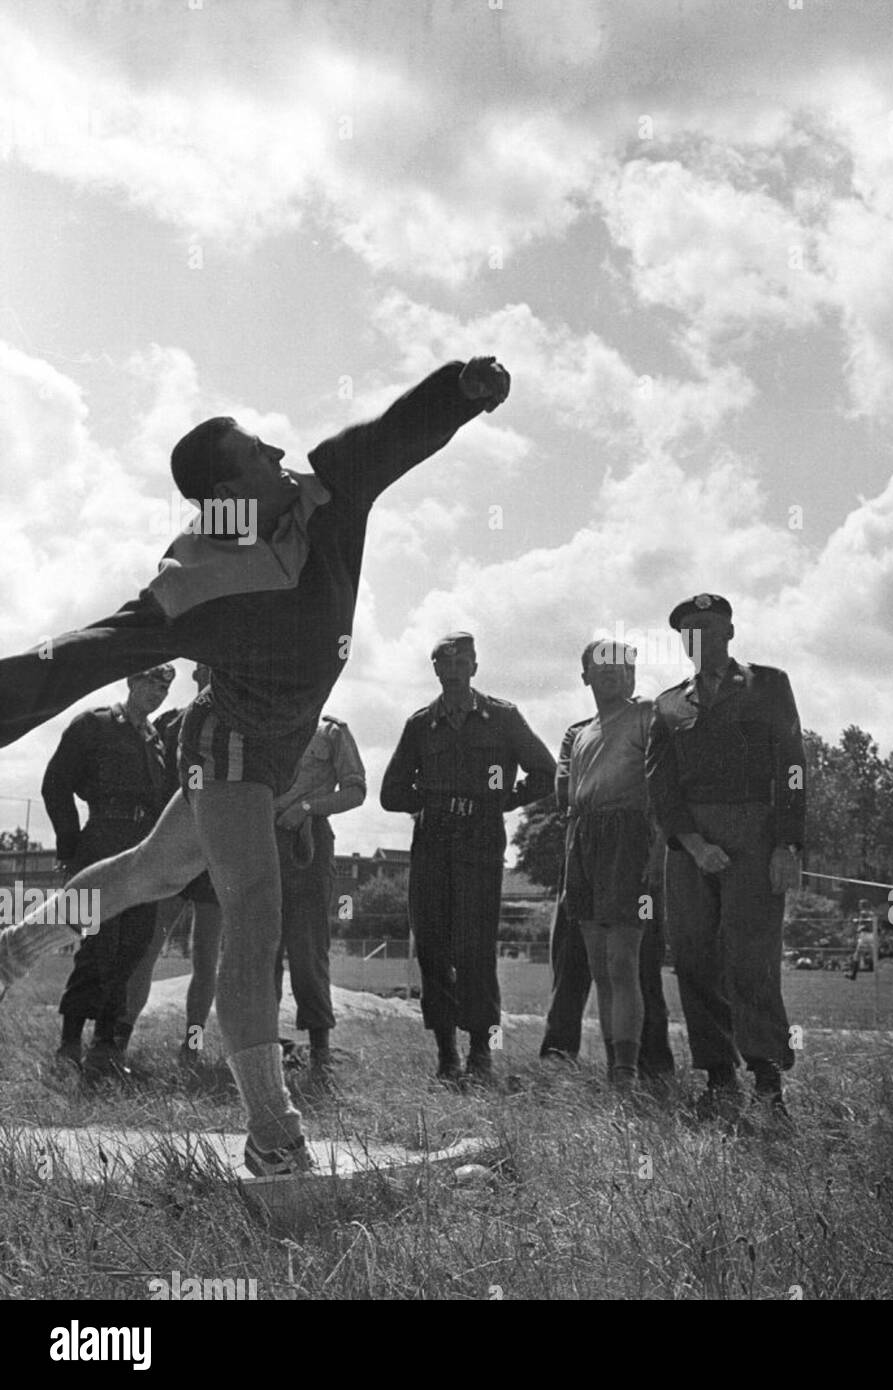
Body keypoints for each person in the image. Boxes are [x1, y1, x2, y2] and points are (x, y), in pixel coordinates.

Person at [0, 354, 511, 1176]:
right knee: (254, 907)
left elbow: (393, 435)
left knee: (149, 872)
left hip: (274, 749)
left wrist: (460, 390)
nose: (278, 452)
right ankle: (273, 1135)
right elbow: (71, 660)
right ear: (225, 496)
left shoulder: (329, 490)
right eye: (255, 453)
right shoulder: (195, 582)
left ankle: (13, 947)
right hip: (228, 746)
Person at [645, 593, 804, 1121]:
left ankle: (768, 1082)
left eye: (711, 628)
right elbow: (660, 788)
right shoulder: (667, 705)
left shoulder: (768, 685)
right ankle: (717, 1078)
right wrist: (693, 845)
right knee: (693, 959)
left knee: (749, 958)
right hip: (691, 844)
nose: (702, 638)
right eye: (690, 630)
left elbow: (792, 767)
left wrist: (787, 844)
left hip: (756, 832)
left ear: (730, 633)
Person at [380, 632, 555, 1085]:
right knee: (434, 948)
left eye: (462, 663)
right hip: (433, 841)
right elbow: (390, 792)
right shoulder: (420, 725)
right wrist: (430, 801)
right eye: (444, 663)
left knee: (475, 950)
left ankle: (481, 1054)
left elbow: (545, 772)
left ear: (475, 667)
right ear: (435, 669)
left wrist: (506, 801)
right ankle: (445, 1055)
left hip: (480, 839)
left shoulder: (502, 717)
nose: (453, 670)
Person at [42, 664, 175, 1083]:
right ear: (132, 682)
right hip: (100, 842)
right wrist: (69, 846)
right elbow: (56, 784)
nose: (158, 692)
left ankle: (105, 1049)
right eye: (152, 682)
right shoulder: (93, 725)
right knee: (97, 946)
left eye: (165, 687)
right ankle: (68, 1045)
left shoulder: (156, 742)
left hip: (143, 852)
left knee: (132, 948)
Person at [552, 640, 663, 1086]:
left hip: (628, 835)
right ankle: (614, 1064)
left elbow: (662, 783)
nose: (613, 672)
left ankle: (628, 1069)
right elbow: (568, 797)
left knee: (623, 962)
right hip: (584, 840)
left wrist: (657, 849)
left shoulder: (646, 715)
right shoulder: (580, 732)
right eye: (602, 667)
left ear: (633, 674)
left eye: (622, 666)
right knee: (598, 967)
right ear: (586, 677)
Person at [121, 662, 224, 1068]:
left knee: (205, 961)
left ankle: (193, 1046)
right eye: (207, 670)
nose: (213, 676)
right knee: (147, 950)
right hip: (173, 850)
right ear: (197, 675)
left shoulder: (240, 728)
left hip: (214, 857)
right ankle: (120, 1039)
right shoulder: (170, 723)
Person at [272, 712, 366, 1084]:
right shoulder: (265, 723)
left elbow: (356, 791)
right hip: (262, 840)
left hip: (308, 843)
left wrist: (307, 809)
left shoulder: (332, 732)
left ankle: (320, 1056)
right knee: (261, 951)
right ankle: (261, 1054)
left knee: (307, 951)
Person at [539, 834, 675, 1078]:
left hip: (636, 851)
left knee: (641, 962)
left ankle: (653, 1066)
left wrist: (658, 854)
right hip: (582, 844)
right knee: (570, 961)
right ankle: (558, 1059)